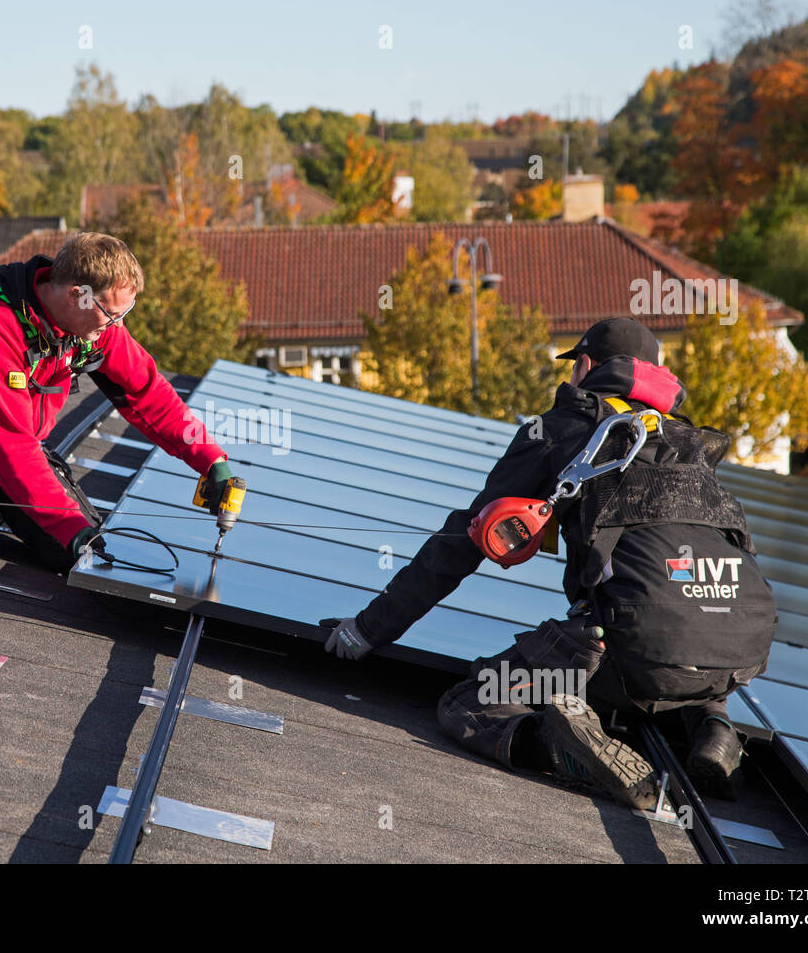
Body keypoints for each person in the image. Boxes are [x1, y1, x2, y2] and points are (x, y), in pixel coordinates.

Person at [321, 317, 776, 808]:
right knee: (681, 642)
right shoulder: (692, 443)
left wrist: (368, 629)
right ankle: (714, 727)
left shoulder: (563, 429)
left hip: (625, 653)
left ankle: (553, 745)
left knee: (471, 702)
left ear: (584, 366)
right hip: (735, 657)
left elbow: (465, 540)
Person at [0, 233, 236, 572]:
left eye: (124, 315)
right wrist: (67, 526)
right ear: (76, 294)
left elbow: (148, 394)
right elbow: (10, 443)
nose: (117, 326)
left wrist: (210, 459)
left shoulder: (94, 327)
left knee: (83, 551)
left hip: (2, 452)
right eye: (113, 315)